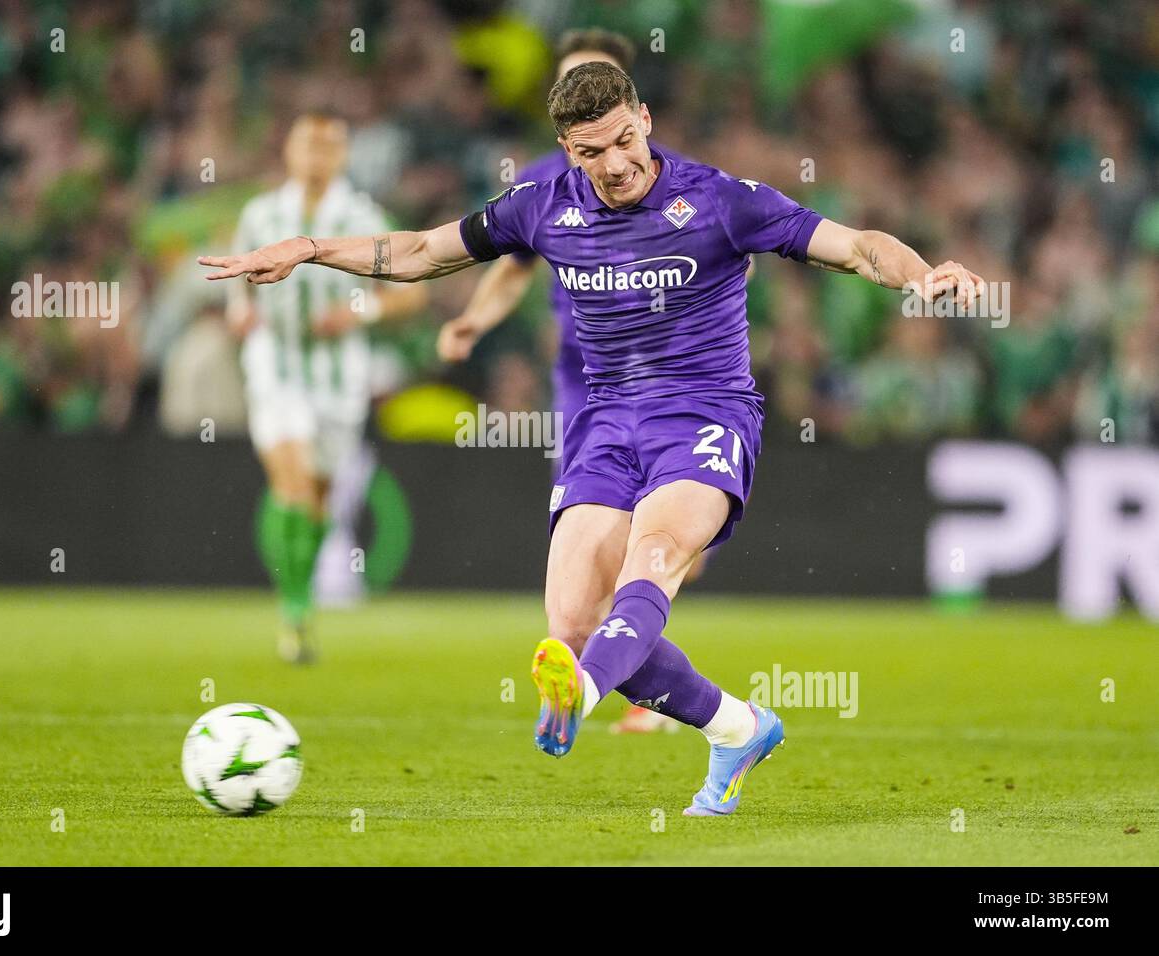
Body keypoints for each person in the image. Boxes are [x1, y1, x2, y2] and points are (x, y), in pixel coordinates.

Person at [199, 62, 982, 814]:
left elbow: (855, 245)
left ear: (645, 122)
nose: (613, 165)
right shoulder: (542, 204)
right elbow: (423, 251)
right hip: (605, 425)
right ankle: (739, 729)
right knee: (573, 624)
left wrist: (921, 275)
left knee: (656, 559)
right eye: (590, 151)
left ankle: (583, 691)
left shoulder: (719, 201)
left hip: (705, 417)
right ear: (567, 151)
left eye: (622, 142)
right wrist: (307, 251)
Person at [437, 29, 697, 736]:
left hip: (668, 382)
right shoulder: (541, 186)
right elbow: (510, 261)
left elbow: (731, 250)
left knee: (660, 539)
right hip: (583, 381)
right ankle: (631, 679)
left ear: (634, 106)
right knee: (591, 545)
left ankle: (637, 686)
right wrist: (474, 319)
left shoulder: (676, 181)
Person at [226, 112, 427, 664]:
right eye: (306, 145)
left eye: (328, 146)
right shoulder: (260, 214)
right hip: (277, 364)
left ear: (342, 156)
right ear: (289, 152)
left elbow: (411, 293)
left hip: (340, 378)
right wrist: (240, 314)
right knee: (290, 485)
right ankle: (294, 609)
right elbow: (240, 286)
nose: (316, 156)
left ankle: (300, 603)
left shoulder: (362, 218)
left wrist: (357, 309)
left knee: (316, 501)